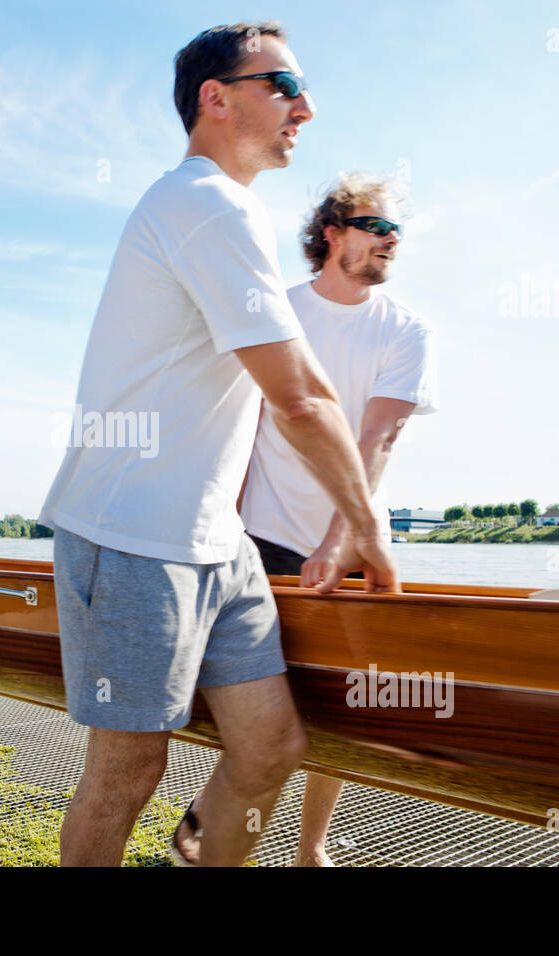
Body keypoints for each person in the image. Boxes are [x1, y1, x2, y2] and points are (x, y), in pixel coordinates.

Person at [38, 22, 399, 867]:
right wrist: (368, 531)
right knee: (127, 771)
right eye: (286, 83)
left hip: (215, 544)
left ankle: (193, 857)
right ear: (217, 96)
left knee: (271, 748)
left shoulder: (230, 211)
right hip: (129, 533)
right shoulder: (201, 203)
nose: (304, 106)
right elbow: (302, 397)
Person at [172, 175, 439, 865]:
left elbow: (376, 441)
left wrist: (338, 539)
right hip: (259, 535)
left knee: (347, 704)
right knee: (255, 695)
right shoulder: (275, 313)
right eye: (376, 224)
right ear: (332, 231)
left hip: (351, 542)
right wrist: (216, 531)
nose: (391, 239)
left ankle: (309, 850)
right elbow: (238, 424)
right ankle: (212, 816)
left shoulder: (407, 330)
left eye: (397, 231)